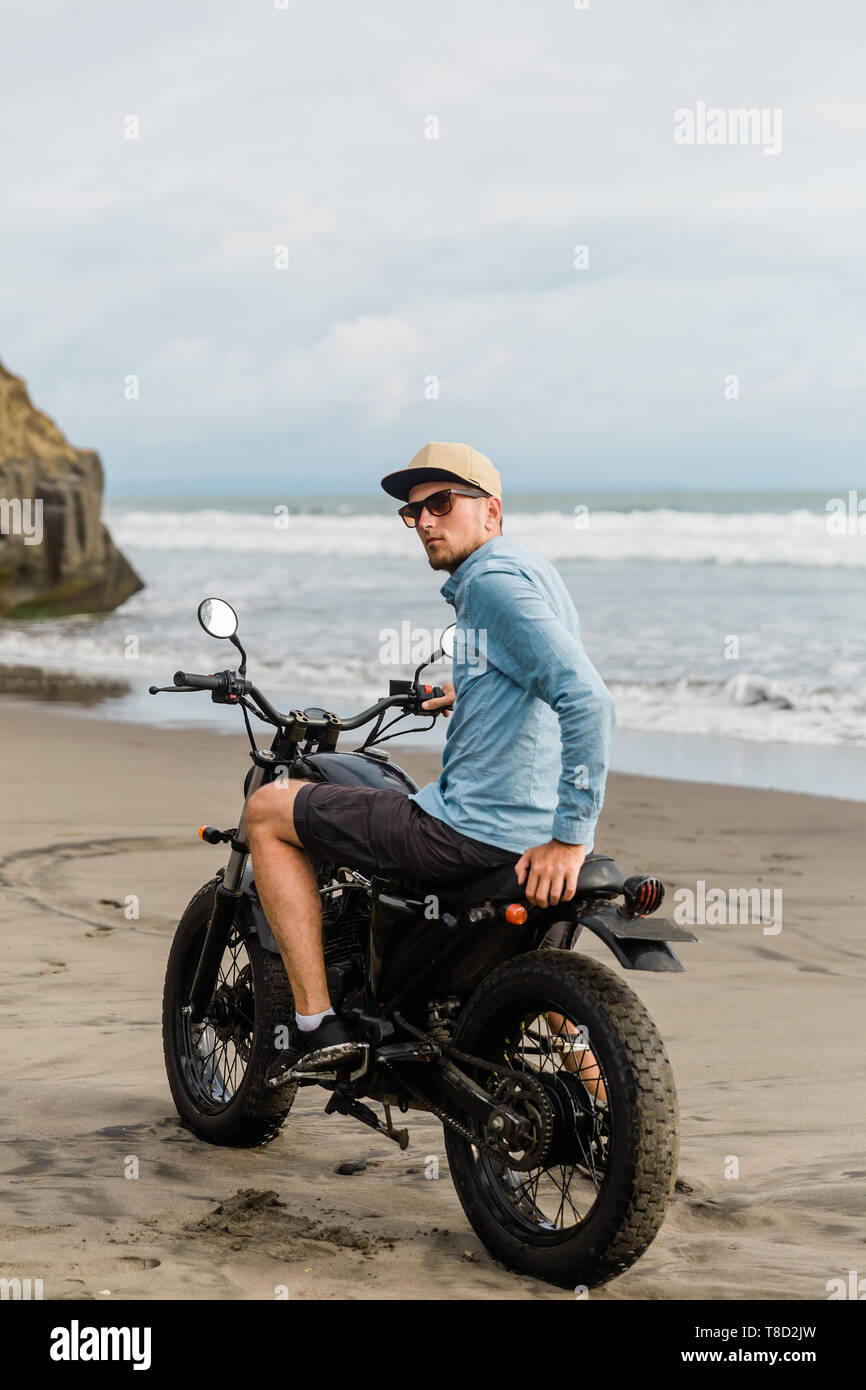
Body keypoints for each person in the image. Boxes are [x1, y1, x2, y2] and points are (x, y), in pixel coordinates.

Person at [245, 441, 616, 1080]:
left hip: (469, 833)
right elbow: (538, 673)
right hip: (522, 830)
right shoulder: (530, 571)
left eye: (440, 502)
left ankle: (314, 1024)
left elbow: (586, 698)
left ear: (490, 512)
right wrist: (467, 687)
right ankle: (608, 1114)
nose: (423, 521)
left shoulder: (490, 583)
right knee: (530, 966)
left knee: (268, 812)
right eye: (412, 513)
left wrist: (570, 838)